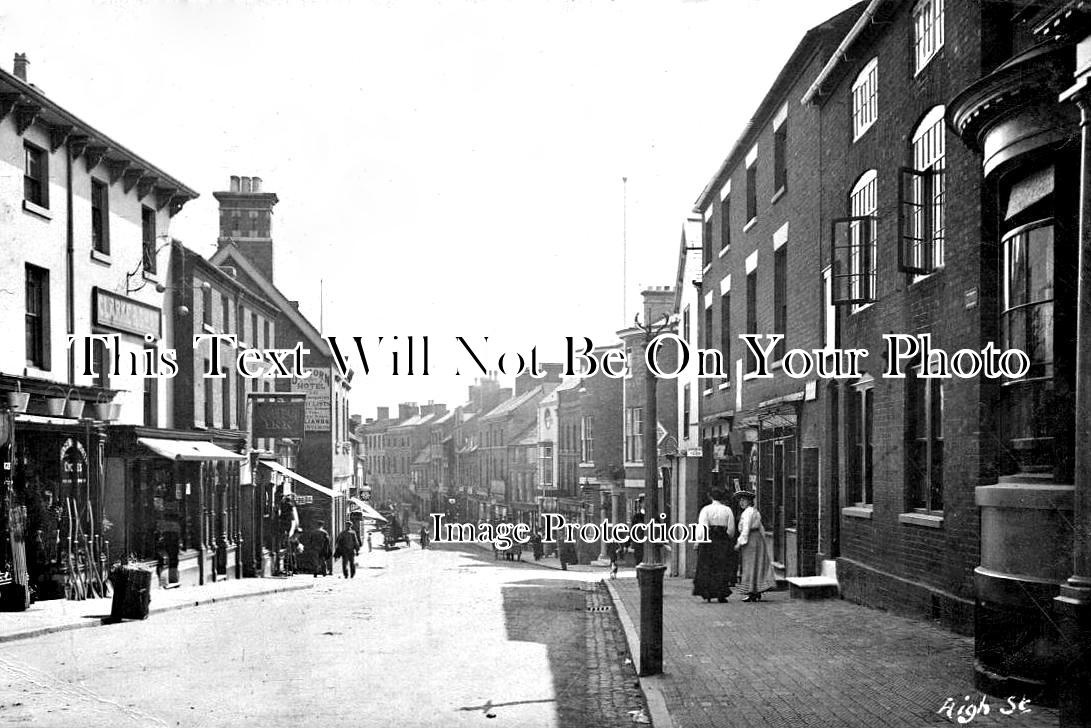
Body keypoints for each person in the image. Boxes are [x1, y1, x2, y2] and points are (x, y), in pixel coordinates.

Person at [692, 487, 737, 603]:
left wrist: (698, 541)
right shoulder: (727, 510)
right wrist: (727, 537)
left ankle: (708, 593)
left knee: (708, 566)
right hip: (722, 540)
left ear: (710, 497)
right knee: (722, 566)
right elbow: (731, 529)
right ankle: (721, 593)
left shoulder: (705, 510)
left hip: (709, 540)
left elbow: (702, 527)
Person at [733, 491, 777, 601]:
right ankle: (756, 590)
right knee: (757, 564)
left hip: (751, 539)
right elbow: (761, 527)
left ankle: (752, 591)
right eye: (740, 501)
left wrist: (739, 542)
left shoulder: (748, 513)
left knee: (750, 565)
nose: (741, 503)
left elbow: (746, 529)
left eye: (744, 500)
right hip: (757, 539)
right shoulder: (754, 511)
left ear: (749, 501)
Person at [629, 497, 646, 565]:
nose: (645, 504)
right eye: (643, 502)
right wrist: (627, 544)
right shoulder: (636, 517)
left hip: (651, 545)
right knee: (639, 562)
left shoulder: (654, 517)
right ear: (641, 504)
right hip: (639, 544)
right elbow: (632, 531)